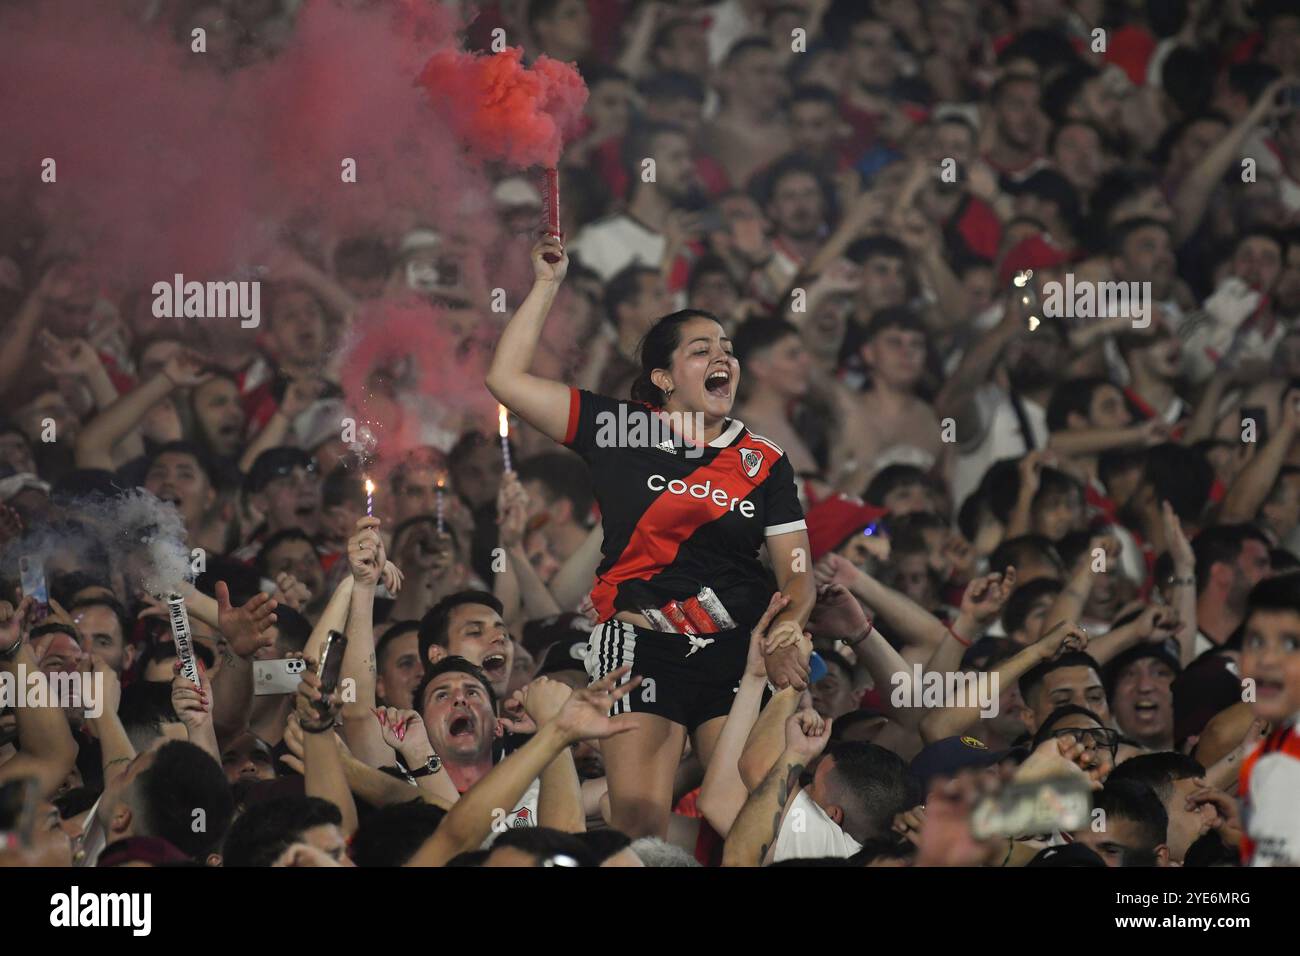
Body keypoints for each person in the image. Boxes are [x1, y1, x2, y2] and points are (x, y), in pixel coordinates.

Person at [486, 236, 814, 839]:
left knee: (748, 815)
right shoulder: (618, 427)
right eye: (701, 350)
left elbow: (796, 575)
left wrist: (788, 626)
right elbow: (505, 378)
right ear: (662, 377)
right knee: (639, 821)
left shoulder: (765, 461)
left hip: (737, 651)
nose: (724, 358)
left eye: (728, 349)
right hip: (642, 645)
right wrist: (548, 286)